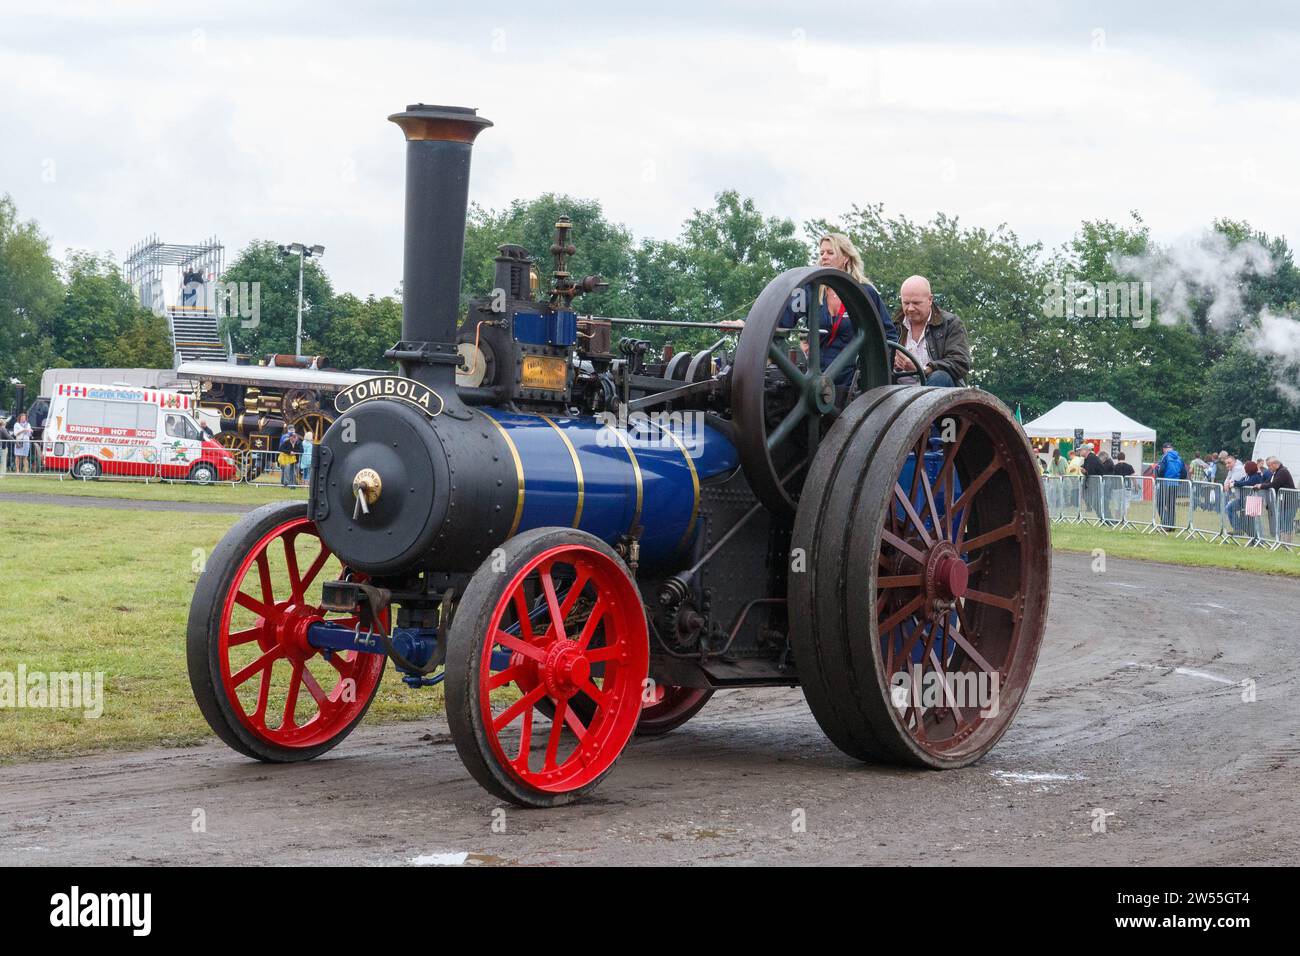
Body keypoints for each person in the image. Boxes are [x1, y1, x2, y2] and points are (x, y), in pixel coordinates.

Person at [768, 233, 898, 386]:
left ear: (845, 258)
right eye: (821, 253)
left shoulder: (865, 293)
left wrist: (876, 375)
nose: (824, 257)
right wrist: (747, 323)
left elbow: (888, 334)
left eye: (830, 253)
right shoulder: (811, 291)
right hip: (815, 378)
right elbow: (781, 317)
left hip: (855, 380)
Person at [892, 276, 971, 386]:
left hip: (938, 391)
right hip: (899, 392)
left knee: (941, 377)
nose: (910, 308)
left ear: (930, 300)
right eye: (906, 303)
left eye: (916, 303)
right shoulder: (893, 326)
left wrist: (923, 369)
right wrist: (892, 362)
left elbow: (960, 362)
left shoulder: (951, 323)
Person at [1153, 440, 1185, 528]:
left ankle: (1165, 523)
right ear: (1172, 448)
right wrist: (1179, 480)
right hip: (1175, 484)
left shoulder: (1165, 457)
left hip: (1165, 483)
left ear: (1164, 449)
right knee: (1171, 505)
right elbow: (1184, 473)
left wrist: (1159, 477)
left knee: (1160, 503)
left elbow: (1161, 470)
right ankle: (1172, 525)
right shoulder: (1179, 458)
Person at [1265, 456, 1295, 544]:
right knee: (1281, 523)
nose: (1268, 468)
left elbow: (1274, 484)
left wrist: (1261, 486)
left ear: (1275, 464)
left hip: (1289, 503)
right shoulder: (1276, 472)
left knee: (1286, 524)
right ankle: (1282, 543)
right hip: (1283, 503)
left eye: (1269, 465)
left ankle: (1287, 545)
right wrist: (1260, 484)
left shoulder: (1283, 472)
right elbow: (1268, 482)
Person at [1112, 451, 1135, 523]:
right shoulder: (1129, 466)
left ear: (1117, 458)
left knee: (1117, 505)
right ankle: (1124, 519)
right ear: (1124, 457)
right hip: (1127, 487)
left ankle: (1117, 520)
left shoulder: (1114, 467)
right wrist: (1136, 485)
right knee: (1126, 504)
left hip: (1116, 487)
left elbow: (1112, 478)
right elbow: (1133, 477)